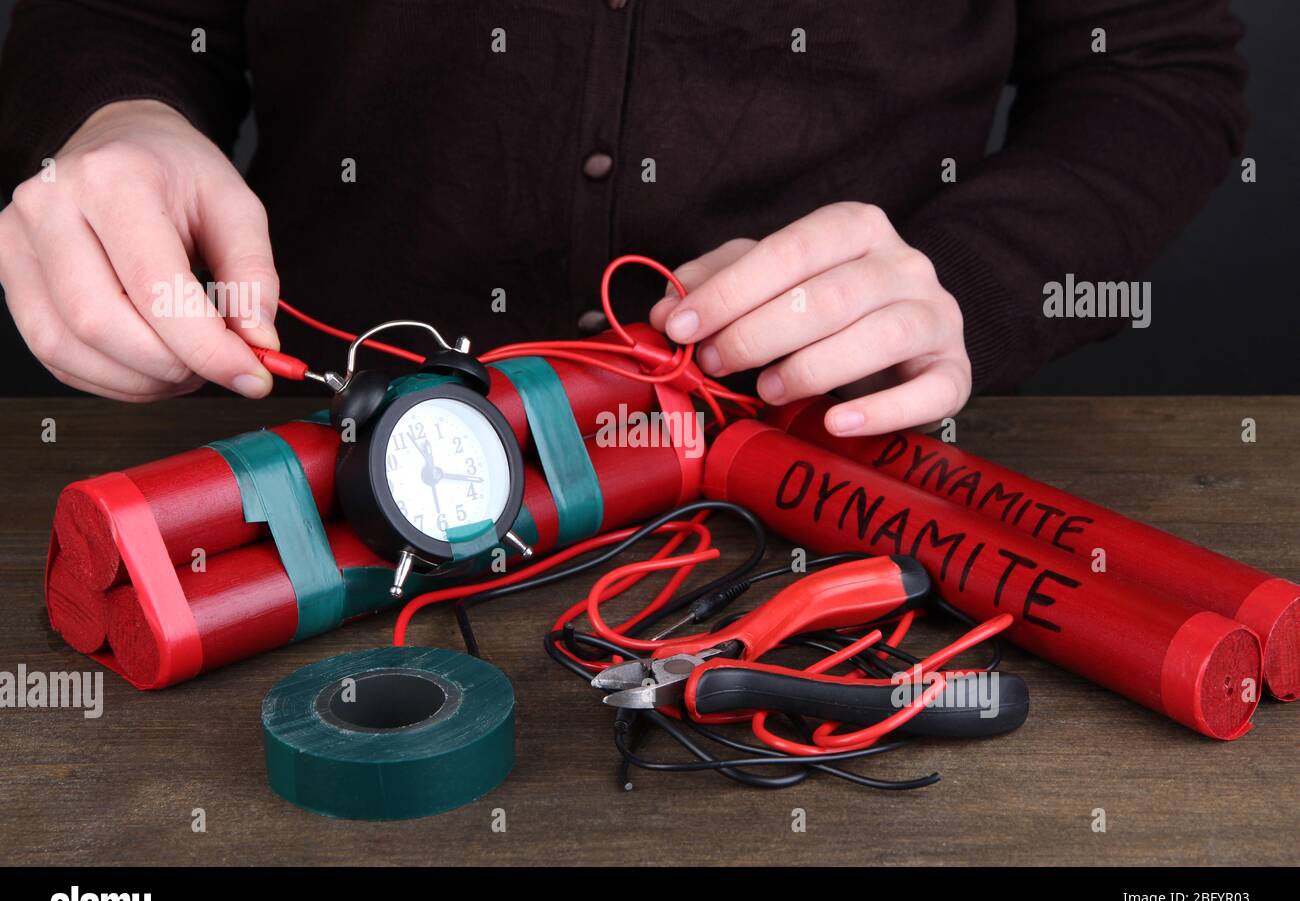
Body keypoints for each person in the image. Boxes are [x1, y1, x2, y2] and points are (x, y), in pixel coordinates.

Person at [0, 2, 1246, 436]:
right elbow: (126, 18)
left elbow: (1151, 66)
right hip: (324, 456)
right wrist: (116, 121)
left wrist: (961, 284)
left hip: (833, 480)